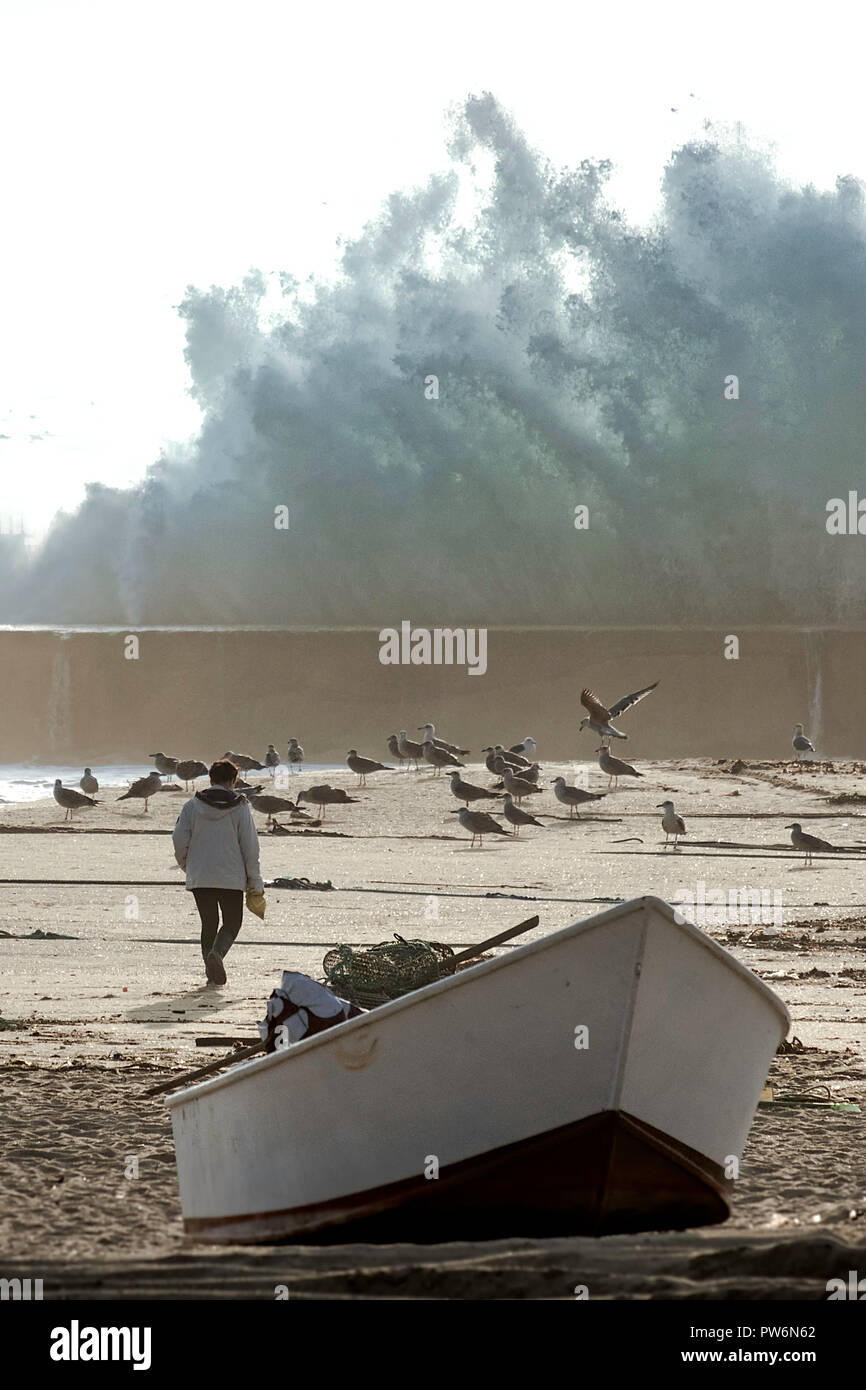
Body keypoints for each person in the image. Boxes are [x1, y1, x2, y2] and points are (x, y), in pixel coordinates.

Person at [172, 759, 264, 985]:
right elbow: (250, 846)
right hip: (231, 877)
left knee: (209, 922)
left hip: (200, 875)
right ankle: (217, 955)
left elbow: (179, 839)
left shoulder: (192, 806)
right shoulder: (240, 807)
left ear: (210, 779)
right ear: (233, 780)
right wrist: (255, 880)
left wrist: (187, 865)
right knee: (232, 922)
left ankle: (210, 967)